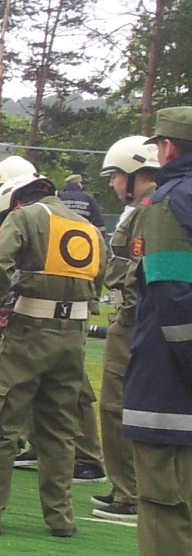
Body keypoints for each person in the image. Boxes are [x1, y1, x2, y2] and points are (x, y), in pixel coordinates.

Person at [87, 108, 192, 556]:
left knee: (166, 515)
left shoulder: (167, 206)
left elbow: (174, 297)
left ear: (167, 150)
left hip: (175, 389)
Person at [0, 175, 104, 537]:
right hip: (73, 336)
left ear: (15, 202)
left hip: (28, 332)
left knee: (4, 424)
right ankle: (61, 518)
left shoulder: (24, 218)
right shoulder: (86, 226)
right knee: (60, 429)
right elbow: (101, 276)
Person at [94, 136, 160, 519]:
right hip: (135, 317)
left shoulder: (144, 212)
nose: (113, 184)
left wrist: (127, 317)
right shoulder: (147, 208)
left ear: (133, 174)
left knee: (115, 405)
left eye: (116, 175)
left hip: (132, 318)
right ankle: (127, 488)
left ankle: (128, 493)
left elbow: (133, 271)